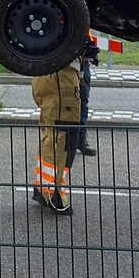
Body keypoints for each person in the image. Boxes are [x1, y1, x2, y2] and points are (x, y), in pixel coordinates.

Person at [31, 63, 81, 216]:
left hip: (49, 75)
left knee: (50, 134)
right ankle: (54, 196)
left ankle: (42, 189)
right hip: (62, 79)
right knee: (61, 138)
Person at [77, 38, 98, 158]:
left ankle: (80, 139)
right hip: (65, 65)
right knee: (63, 101)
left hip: (82, 64)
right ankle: (65, 140)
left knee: (83, 100)